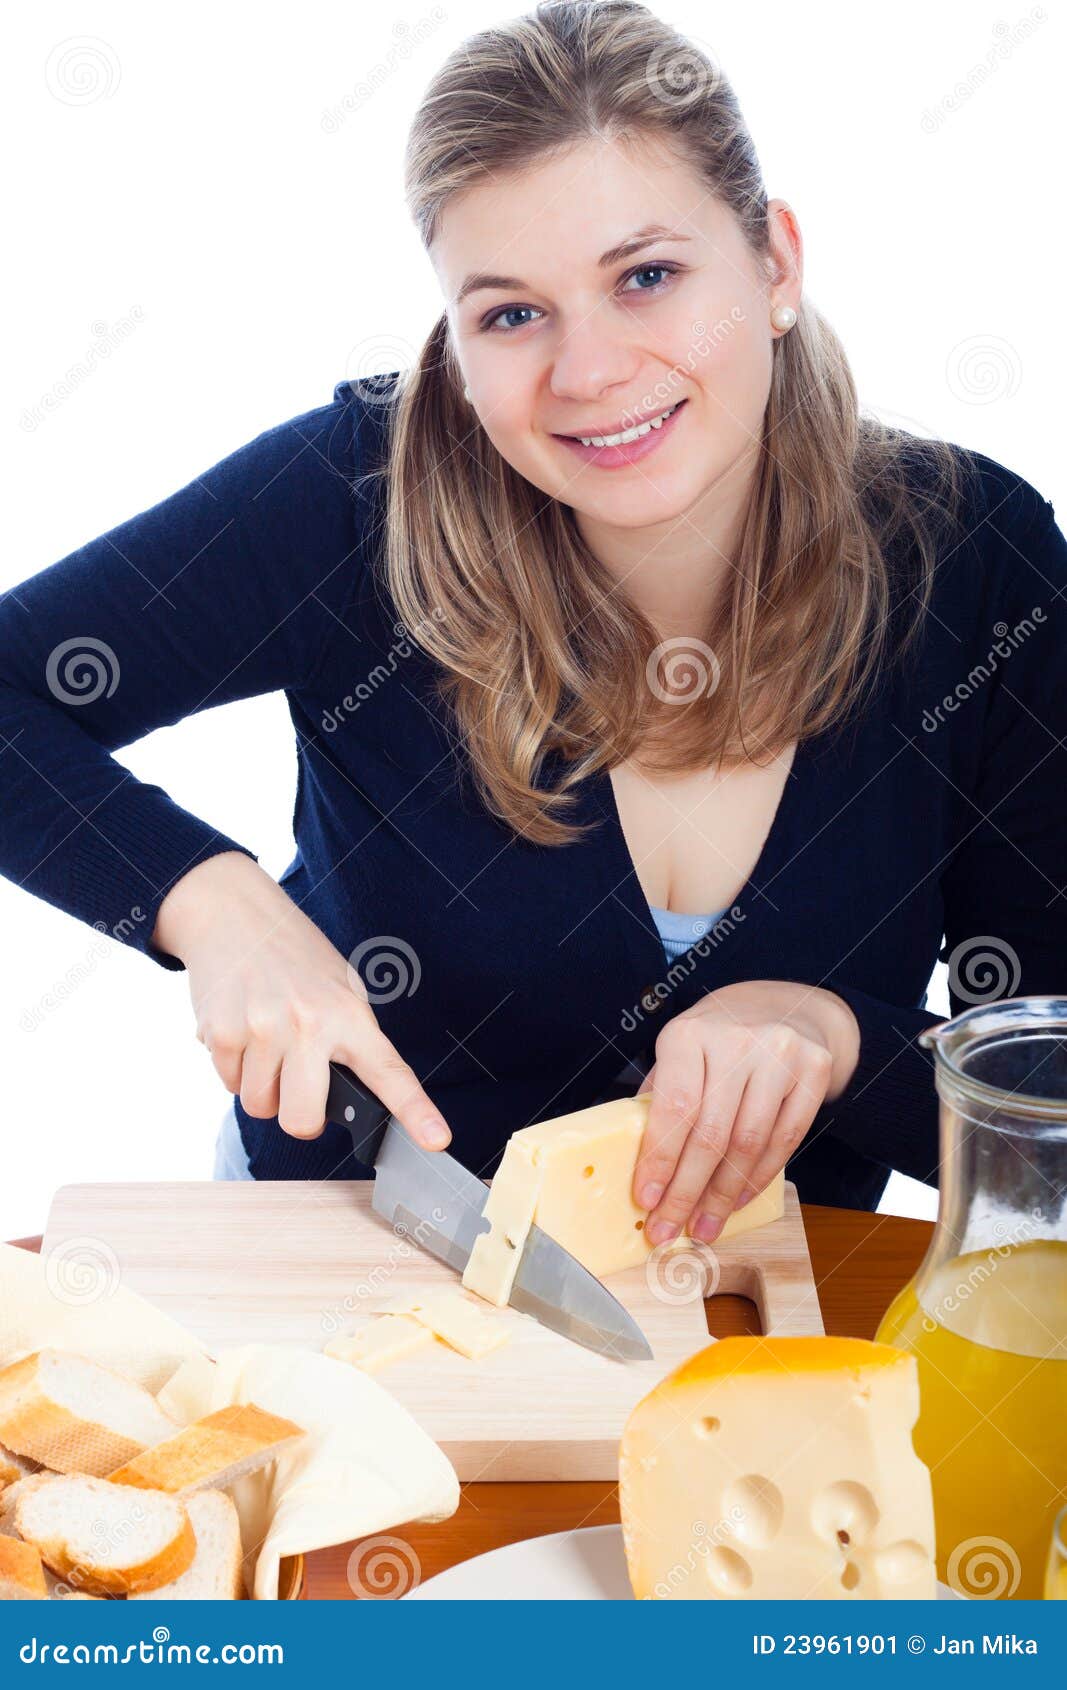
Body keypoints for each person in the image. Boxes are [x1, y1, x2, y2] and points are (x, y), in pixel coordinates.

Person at [2, 1, 1065, 1240]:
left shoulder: (970, 557)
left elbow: (1041, 1114)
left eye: (647, 277)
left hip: (763, 1323)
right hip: (344, 1263)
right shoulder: (356, 495)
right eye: (510, 312)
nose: (588, 371)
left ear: (773, 265)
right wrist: (211, 898)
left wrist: (837, 1040)